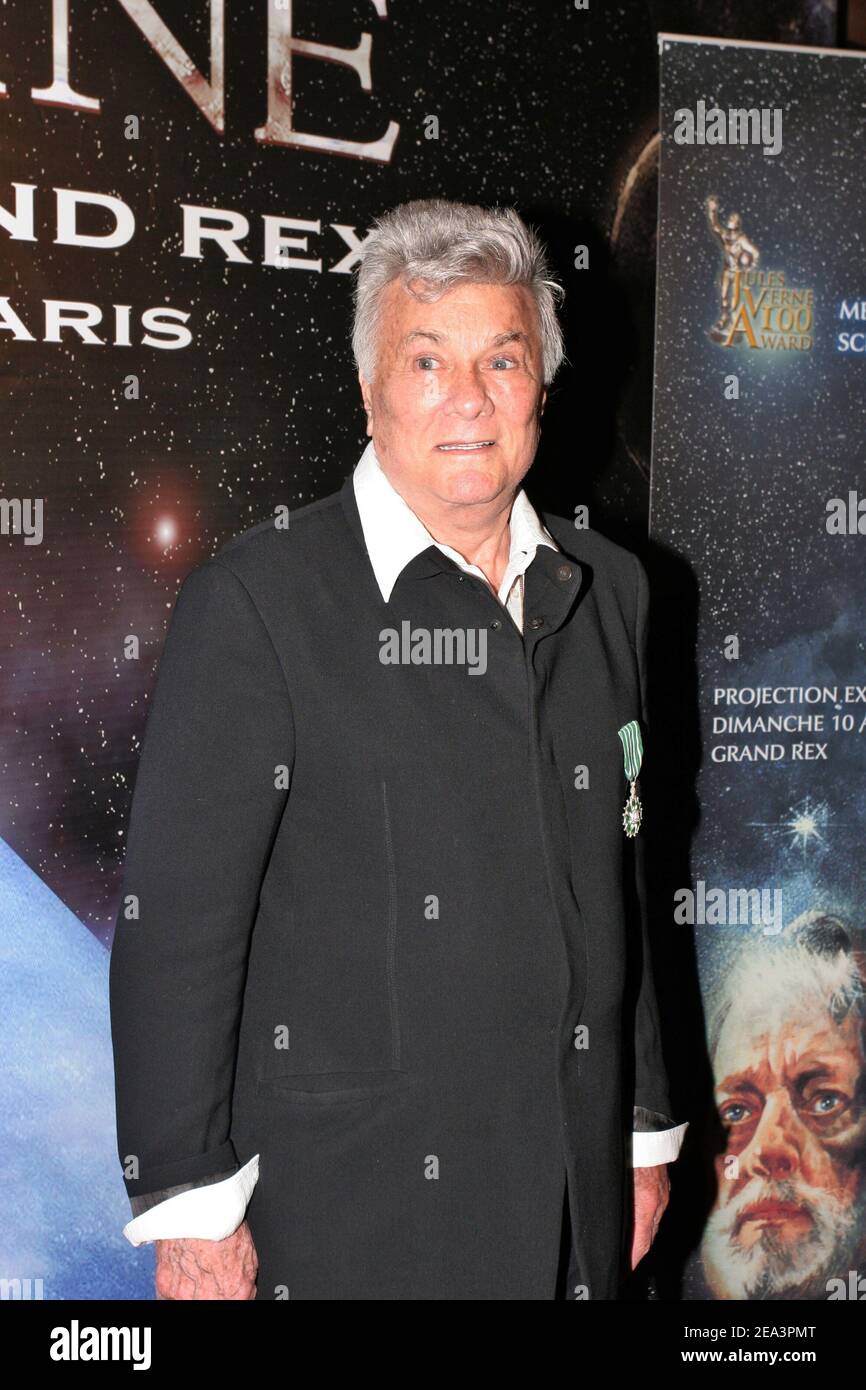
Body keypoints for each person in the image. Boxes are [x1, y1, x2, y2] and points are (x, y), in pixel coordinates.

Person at [109, 197, 687, 1301]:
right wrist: (191, 1210)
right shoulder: (257, 604)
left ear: (541, 388)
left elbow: (622, 866)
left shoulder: (607, 587)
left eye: (500, 359)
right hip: (351, 1215)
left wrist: (640, 1127)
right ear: (370, 387)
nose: (466, 398)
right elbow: (175, 929)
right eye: (425, 361)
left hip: (573, 1190)